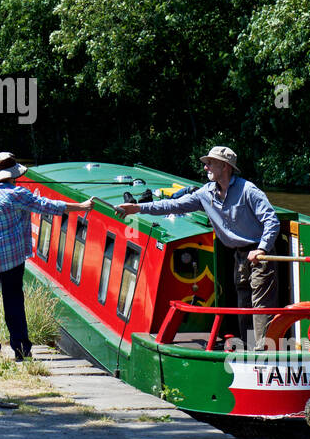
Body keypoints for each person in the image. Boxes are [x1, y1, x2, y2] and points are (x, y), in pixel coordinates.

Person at [116, 146, 280, 349]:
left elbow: (272, 220)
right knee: (244, 303)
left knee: (261, 305)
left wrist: (262, 249)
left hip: (259, 255)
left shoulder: (248, 190)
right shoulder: (206, 193)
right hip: (240, 256)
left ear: (225, 166)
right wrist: (138, 208)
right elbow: (172, 205)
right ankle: (248, 347)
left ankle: (263, 352)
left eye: (210, 163)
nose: (205, 167)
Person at [0, 152, 92, 361]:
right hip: (10, 259)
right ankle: (21, 350)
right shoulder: (17, 194)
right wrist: (81, 206)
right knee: (14, 302)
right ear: (11, 176)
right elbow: (47, 205)